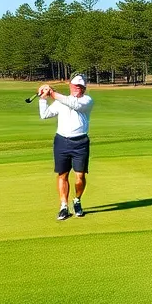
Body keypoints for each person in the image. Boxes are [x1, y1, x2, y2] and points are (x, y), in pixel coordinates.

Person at [38, 74, 94, 220]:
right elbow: (44, 115)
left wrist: (52, 93)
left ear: (84, 88)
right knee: (62, 175)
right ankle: (63, 206)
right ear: (70, 85)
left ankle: (77, 200)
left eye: (81, 87)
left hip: (80, 142)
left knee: (80, 176)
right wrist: (43, 98)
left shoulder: (87, 101)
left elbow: (73, 104)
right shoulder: (61, 101)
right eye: (75, 86)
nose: (78, 89)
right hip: (61, 141)